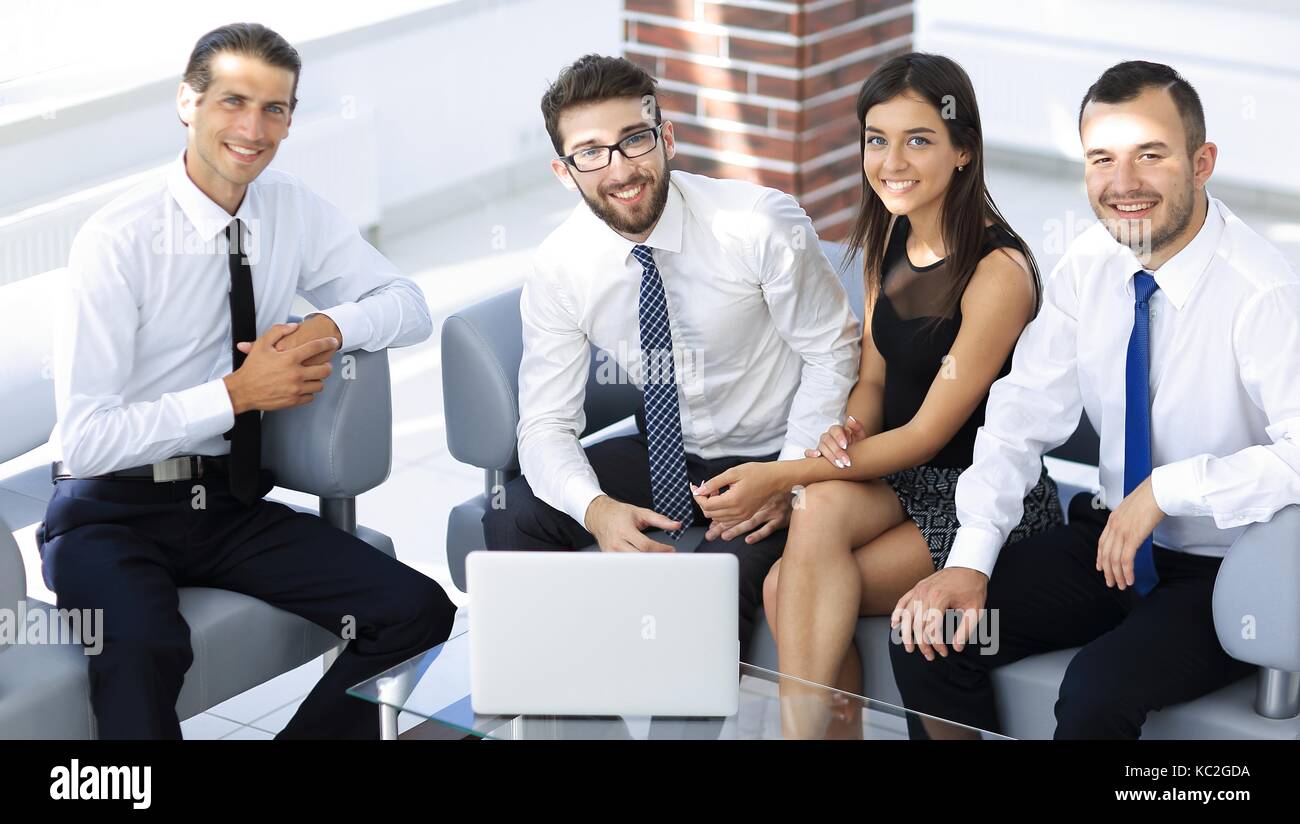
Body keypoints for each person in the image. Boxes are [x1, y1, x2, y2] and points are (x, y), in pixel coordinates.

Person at [37, 23, 456, 739]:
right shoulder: (118, 240)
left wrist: (326, 326)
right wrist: (235, 394)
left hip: (227, 504)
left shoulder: (288, 207)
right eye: (233, 101)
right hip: (108, 511)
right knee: (144, 650)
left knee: (417, 610)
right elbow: (89, 437)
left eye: (275, 109)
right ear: (186, 103)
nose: (252, 128)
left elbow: (408, 305)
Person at [887, 60, 1300, 739]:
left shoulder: (1263, 293)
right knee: (930, 636)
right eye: (1102, 159)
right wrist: (969, 557)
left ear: (1202, 162)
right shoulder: (1090, 263)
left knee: (1095, 694)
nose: (1123, 184)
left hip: (1222, 570)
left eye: (1151, 156)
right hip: (1108, 542)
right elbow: (1019, 416)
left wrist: (1170, 488)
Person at [689, 53, 1062, 737]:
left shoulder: (997, 272)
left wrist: (784, 471)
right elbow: (875, 379)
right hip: (899, 473)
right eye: (876, 139)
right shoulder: (889, 231)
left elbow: (925, 434)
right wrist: (847, 431)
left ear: (963, 151)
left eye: (918, 139)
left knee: (783, 585)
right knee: (824, 502)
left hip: (979, 491)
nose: (892, 160)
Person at [482, 54, 860, 659]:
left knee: (698, 601)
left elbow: (834, 354)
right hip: (668, 455)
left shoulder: (758, 223)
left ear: (668, 137)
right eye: (591, 152)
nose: (620, 168)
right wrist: (597, 510)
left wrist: (787, 479)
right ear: (564, 171)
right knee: (512, 517)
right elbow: (546, 426)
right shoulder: (561, 267)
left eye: (635, 139)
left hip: (771, 455)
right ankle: (561, 705)